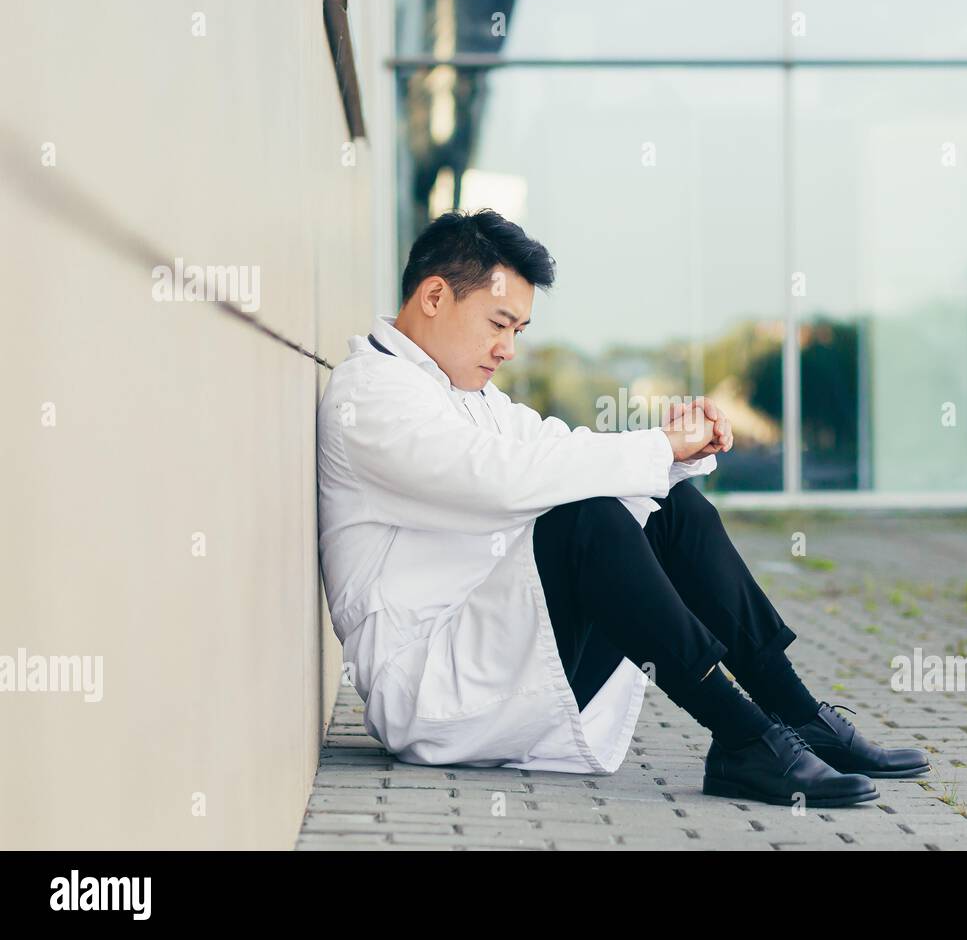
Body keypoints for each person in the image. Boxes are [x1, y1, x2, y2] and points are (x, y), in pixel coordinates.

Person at [316, 208, 929, 808]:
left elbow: (557, 448)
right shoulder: (372, 393)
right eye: (498, 323)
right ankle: (745, 736)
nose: (507, 348)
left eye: (518, 331)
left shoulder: (467, 394)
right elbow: (499, 478)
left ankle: (794, 713)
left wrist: (677, 453)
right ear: (433, 296)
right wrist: (657, 448)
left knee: (669, 508)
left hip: (497, 647)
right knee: (586, 521)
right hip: (430, 688)